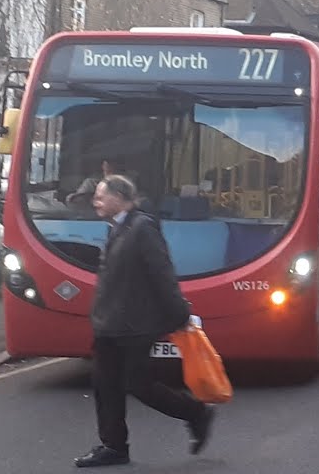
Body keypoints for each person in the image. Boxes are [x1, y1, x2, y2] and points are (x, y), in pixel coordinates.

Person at [74, 174, 215, 468]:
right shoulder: (117, 227)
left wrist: (179, 315)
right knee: (105, 385)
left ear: (120, 197)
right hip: (109, 323)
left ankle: (196, 413)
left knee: (138, 384)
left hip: (135, 325)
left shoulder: (143, 227)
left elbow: (162, 273)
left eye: (101, 195)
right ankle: (113, 447)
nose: (95, 201)